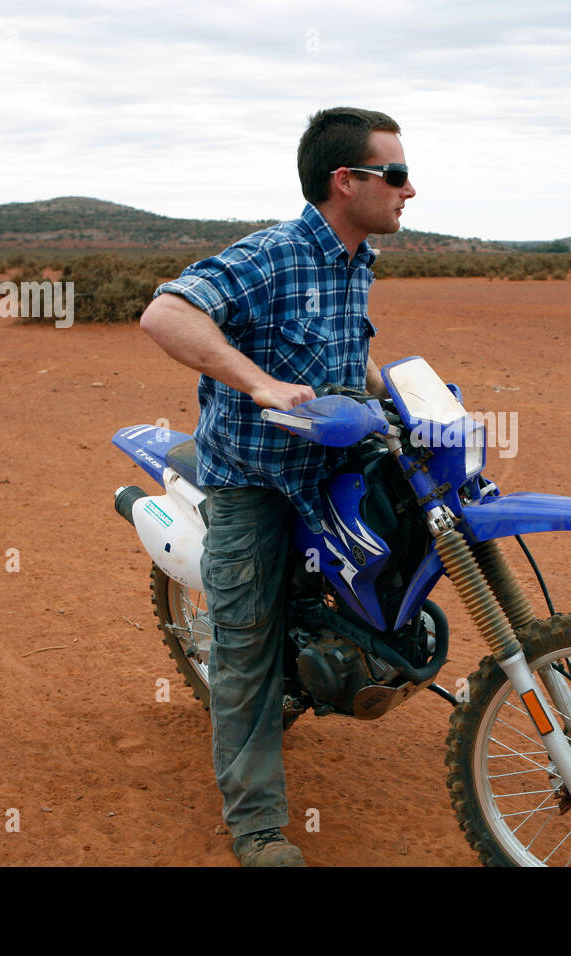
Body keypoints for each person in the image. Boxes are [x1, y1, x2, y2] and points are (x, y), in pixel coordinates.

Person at [138, 107, 414, 866]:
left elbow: (344, 350)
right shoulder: (275, 254)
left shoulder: (357, 260)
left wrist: (396, 398)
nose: (409, 189)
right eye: (395, 174)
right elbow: (164, 314)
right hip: (256, 482)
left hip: (331, 471)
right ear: (345, 181)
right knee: (246, 646)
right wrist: (258, 383)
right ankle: (257, 828)